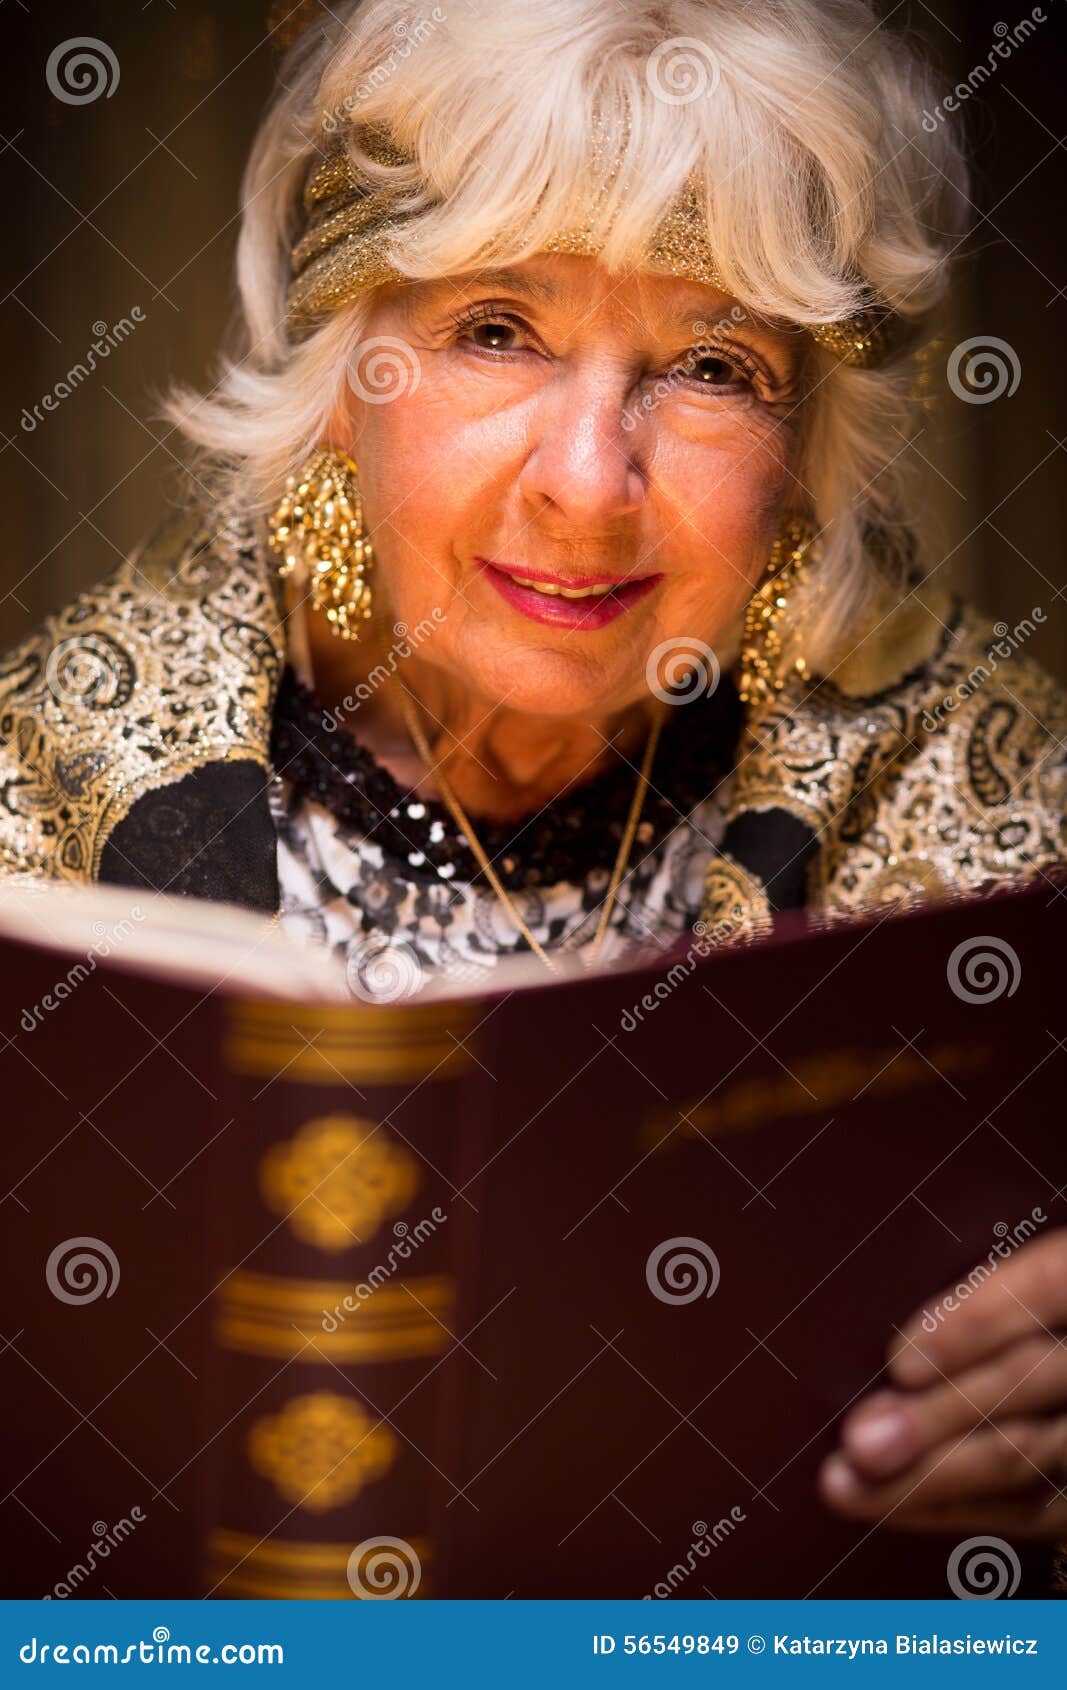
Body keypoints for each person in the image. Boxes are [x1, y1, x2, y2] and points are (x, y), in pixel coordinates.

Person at [0, 0, 1064, 1578]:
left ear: (808, 447)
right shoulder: (44, 778)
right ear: (344, 366)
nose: (587, 476)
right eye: (497, 328)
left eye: (711, 365)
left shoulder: (995, 784)